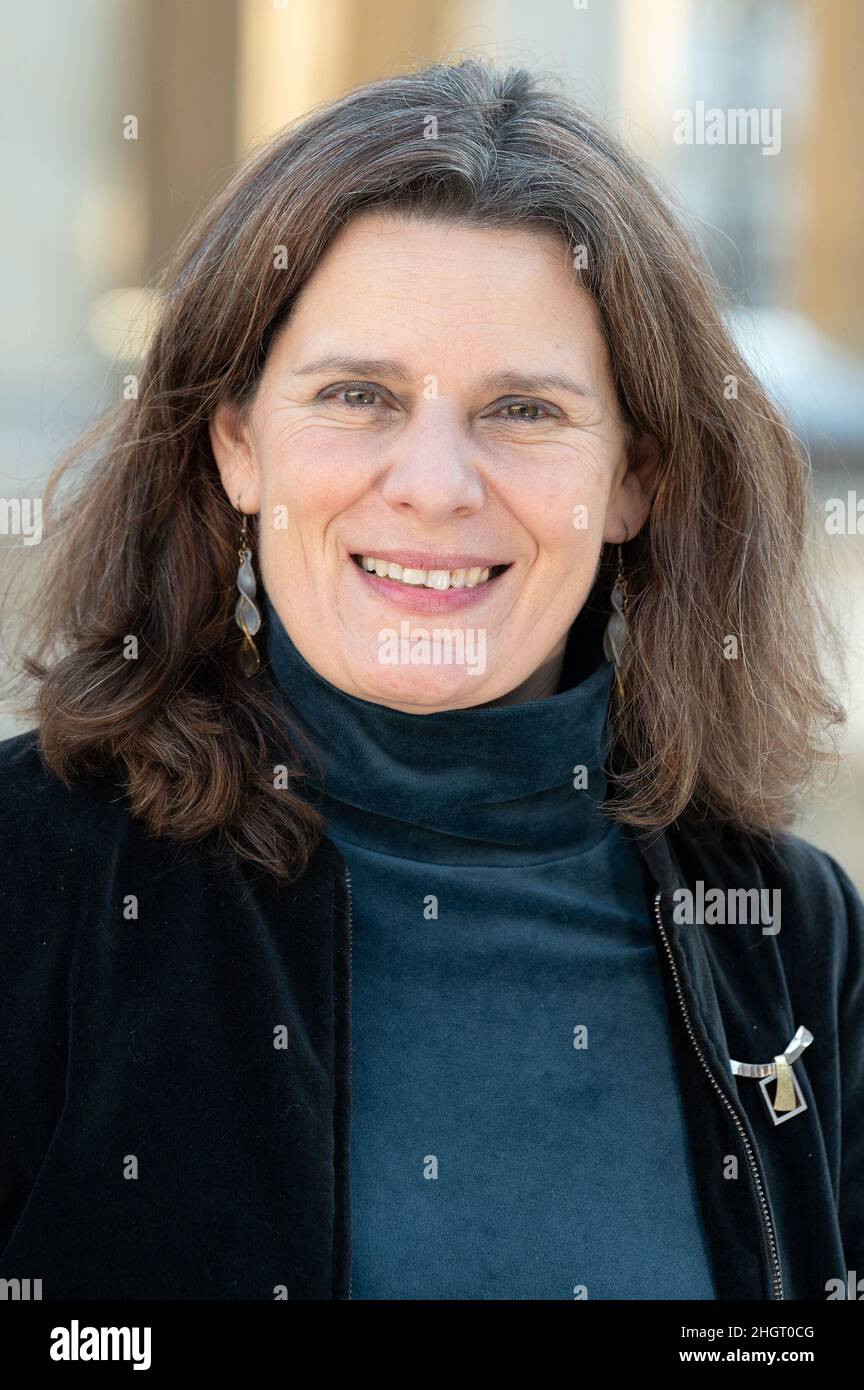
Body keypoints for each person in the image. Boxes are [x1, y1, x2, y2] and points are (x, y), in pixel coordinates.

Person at [0, 57, 861, 1302]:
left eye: (523, 409)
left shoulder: (795, 936)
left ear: (637, 475)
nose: (436, 485)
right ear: (236, 441)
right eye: (359, 395)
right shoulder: (33, 881)